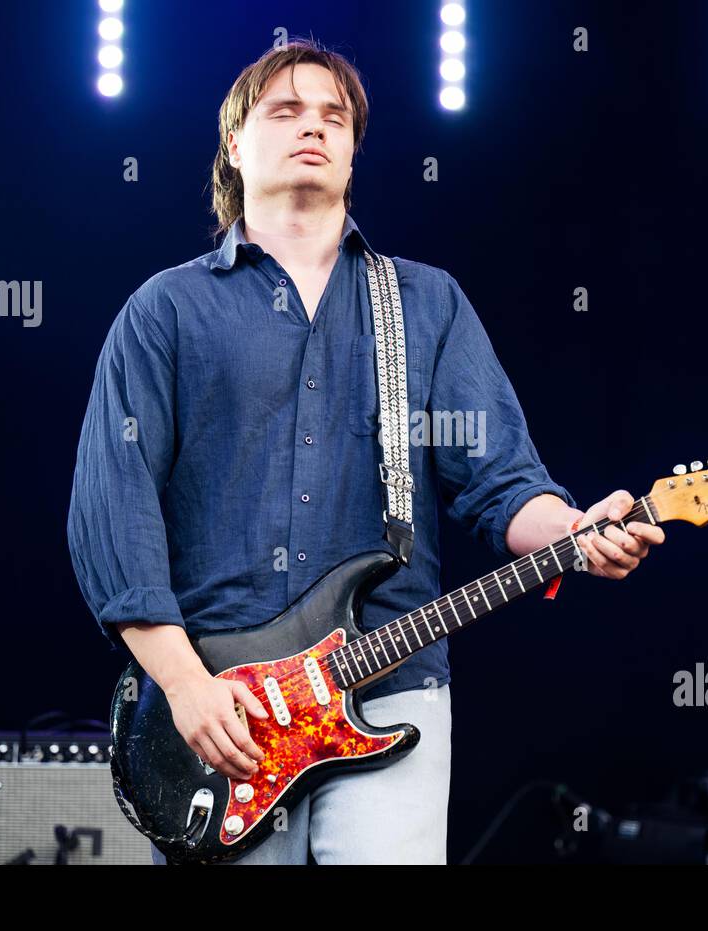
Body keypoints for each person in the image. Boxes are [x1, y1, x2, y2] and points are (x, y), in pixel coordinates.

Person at [67, 37, 665, 865]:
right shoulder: (165, 311)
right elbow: (113, 510)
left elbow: (499, 481)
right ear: (235, 145)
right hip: (224, 709)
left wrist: (574, 529)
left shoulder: (425, 302)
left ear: (352, 154)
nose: (313, 126)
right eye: (286, 110)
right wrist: (182, 684)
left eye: (334, 117)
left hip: (394, 690)